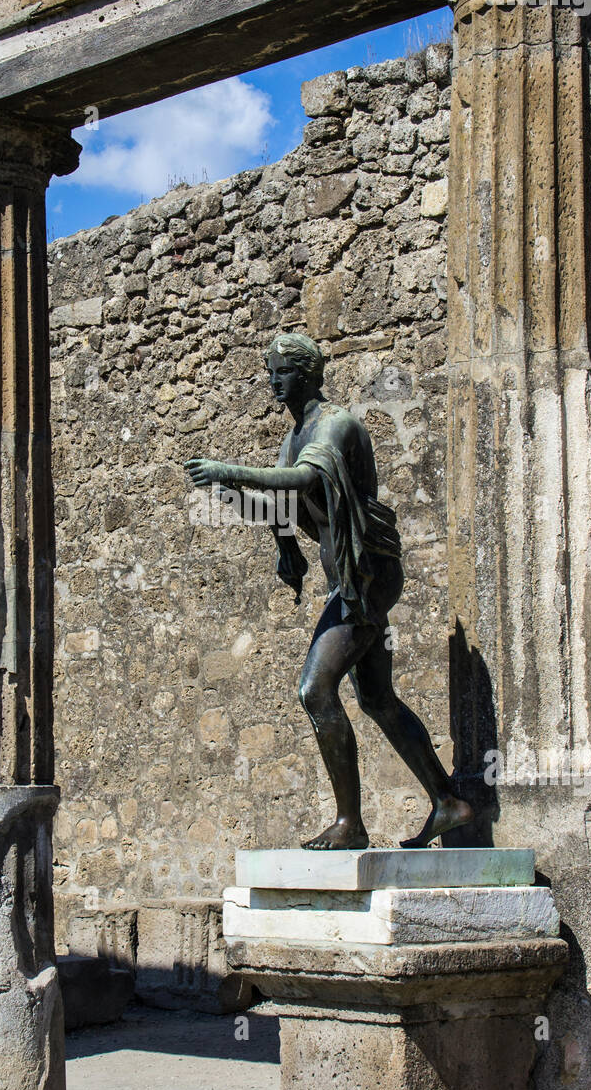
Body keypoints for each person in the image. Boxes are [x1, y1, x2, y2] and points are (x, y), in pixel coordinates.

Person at [185, 332, 473, 850]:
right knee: (378, 699)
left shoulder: (335, 425)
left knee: (315, 689)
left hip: (367, 579)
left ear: (308, 374)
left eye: (282, 371)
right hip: (351, 579)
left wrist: (229, 469)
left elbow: (295, 481)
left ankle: (350, 824)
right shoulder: (294, 436)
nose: (273, 381)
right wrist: (269, 533)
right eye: (270, 371)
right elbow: (280, 508)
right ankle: (448, 801)